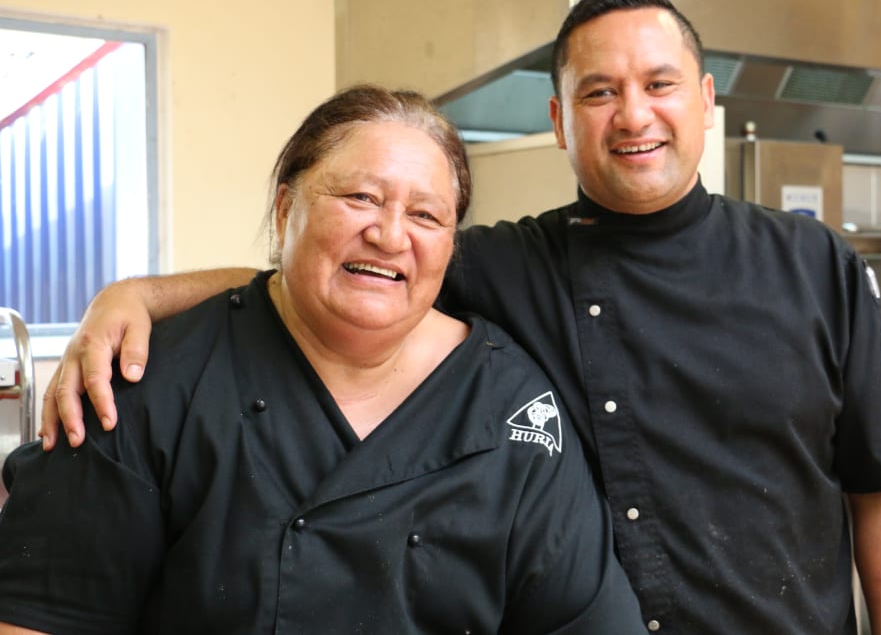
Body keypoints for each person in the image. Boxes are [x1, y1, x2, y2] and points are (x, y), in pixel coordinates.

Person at [38, 0, 881, 633]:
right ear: (560, 121)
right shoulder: (512, 261)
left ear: (705, 102)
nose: (632, 114)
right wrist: (141, 295)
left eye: (659, 84)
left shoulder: (813, 263)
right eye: (598, 92)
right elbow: (341, 272)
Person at [0, 85, 646, 634]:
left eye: (426, 214)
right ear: (286, 209)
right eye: (359, 198)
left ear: (452, 244)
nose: (391, 235)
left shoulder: (512, 408)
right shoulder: (146, 383)